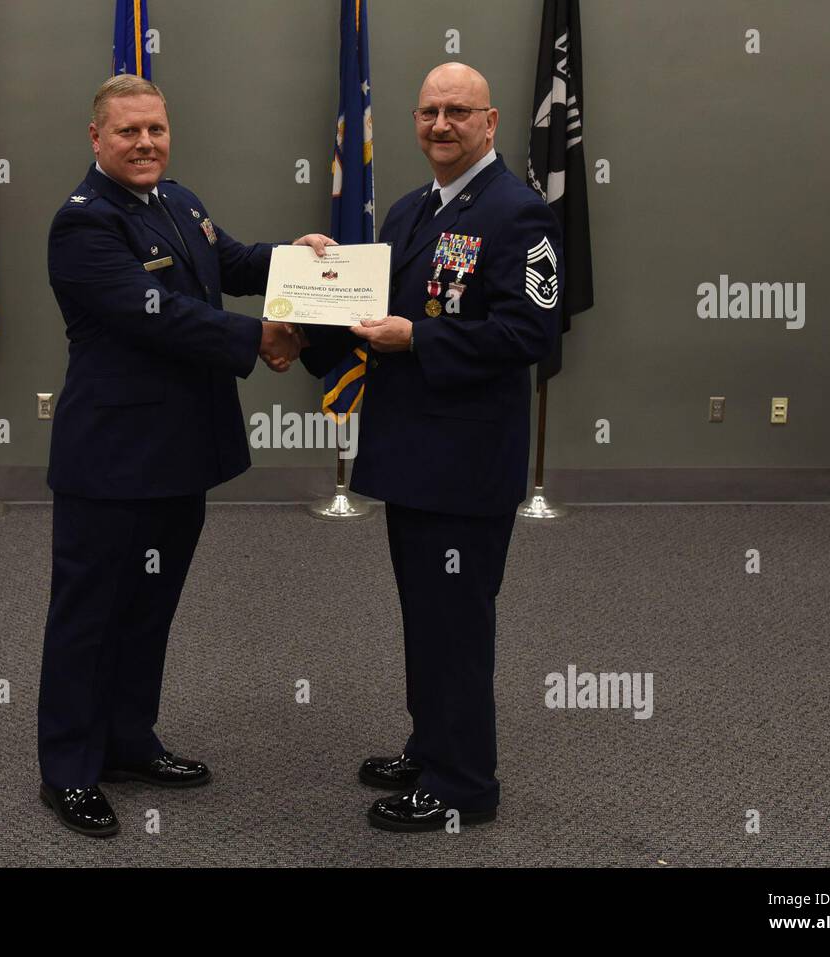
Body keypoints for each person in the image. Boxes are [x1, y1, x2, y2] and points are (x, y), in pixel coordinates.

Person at [39, 73, 329, 838]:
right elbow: (155, 314)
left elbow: (230, 262)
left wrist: (298, 260)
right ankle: (68, 769)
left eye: (156, 129)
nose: (145, 143)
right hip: (111, 461)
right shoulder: (83, 224)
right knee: (88, 617)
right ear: (96, 137)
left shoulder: (177, 200)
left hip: (178, 455)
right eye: (128, 131)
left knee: (149, 609)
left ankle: (129, 740)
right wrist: (257, 337)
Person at [300, 62, 564, 832]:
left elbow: (529, 332)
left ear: (490, 121)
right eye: (428, 112)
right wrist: (312, 291)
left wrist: (418, 337)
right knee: (426, 615)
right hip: (414, 457)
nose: (441, 125)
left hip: (467, 466)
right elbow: (371, 306)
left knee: (456, 625)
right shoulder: (412, 209)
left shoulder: (519, 214)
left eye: (458, 111)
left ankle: (463, 784)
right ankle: (431, 745)